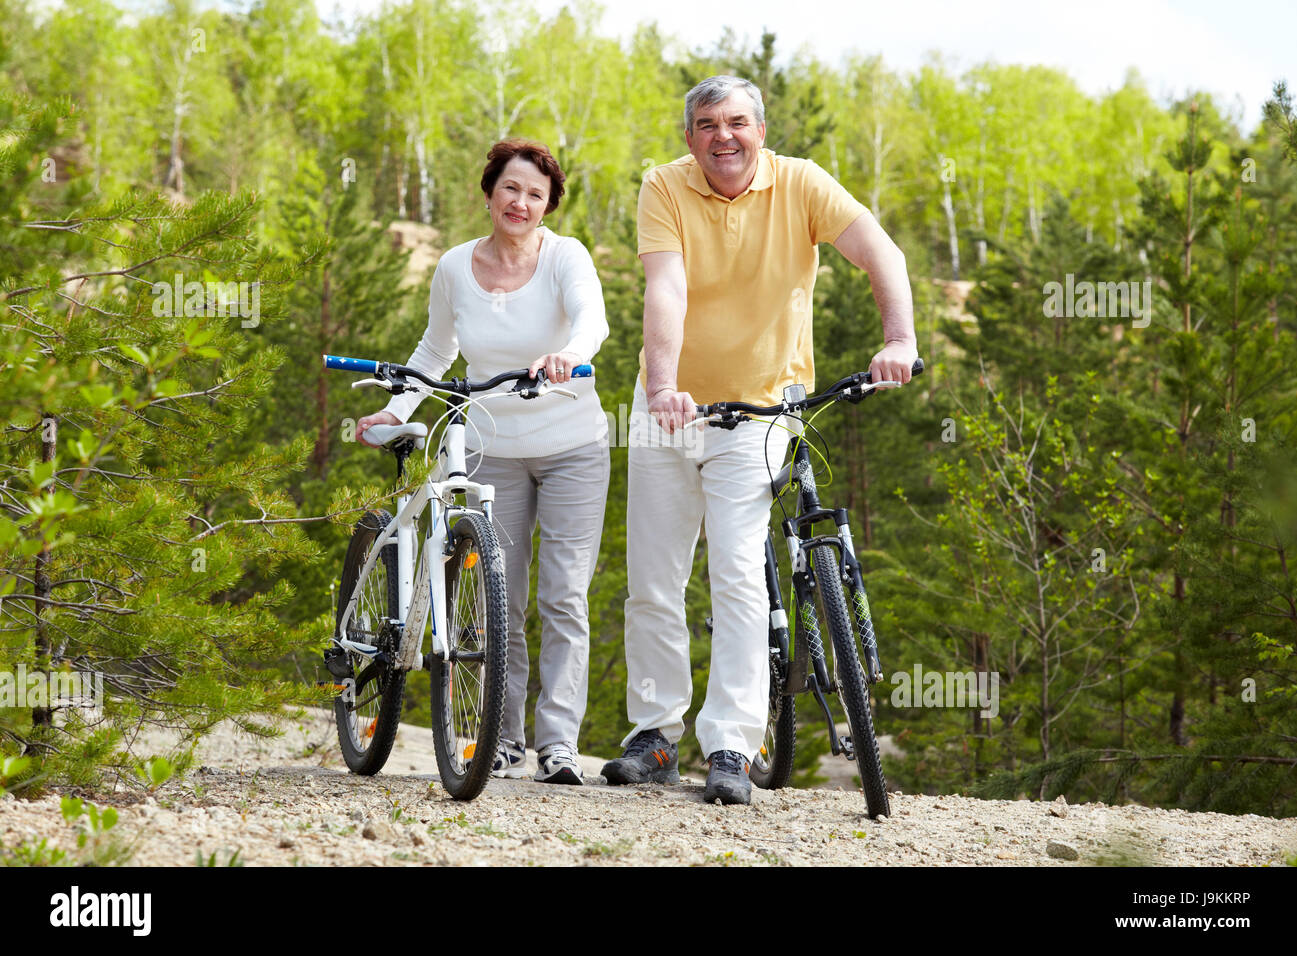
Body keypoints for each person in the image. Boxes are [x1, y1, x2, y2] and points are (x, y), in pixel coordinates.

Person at [601, 76, 918, 804]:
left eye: (737, 122)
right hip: (670, 406)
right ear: (689, 139)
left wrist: (897, 339)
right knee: (653, 579)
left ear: (761, 129)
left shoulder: (803, 185)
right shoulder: (665, 187)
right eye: (707, 124)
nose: (723, 136)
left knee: (738, 572)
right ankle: (653, 737)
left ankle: (732, 746)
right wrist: (661, 387)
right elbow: (667, 288)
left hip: (760, 410)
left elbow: (881, 253)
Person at [357, 139, 610, 785]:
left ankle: (558, 745)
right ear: (490, 192)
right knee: (497, 599)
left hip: (572, 447)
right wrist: (396, 407)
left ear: (548, 203)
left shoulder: (565, 257)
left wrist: (568, 355)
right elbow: (435, 350)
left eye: (535, 193)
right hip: (491, 447)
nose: (520, 202)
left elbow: (592, 322)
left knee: (563, 596)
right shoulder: (452, 267)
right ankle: (502, 737)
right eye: (510, 189)